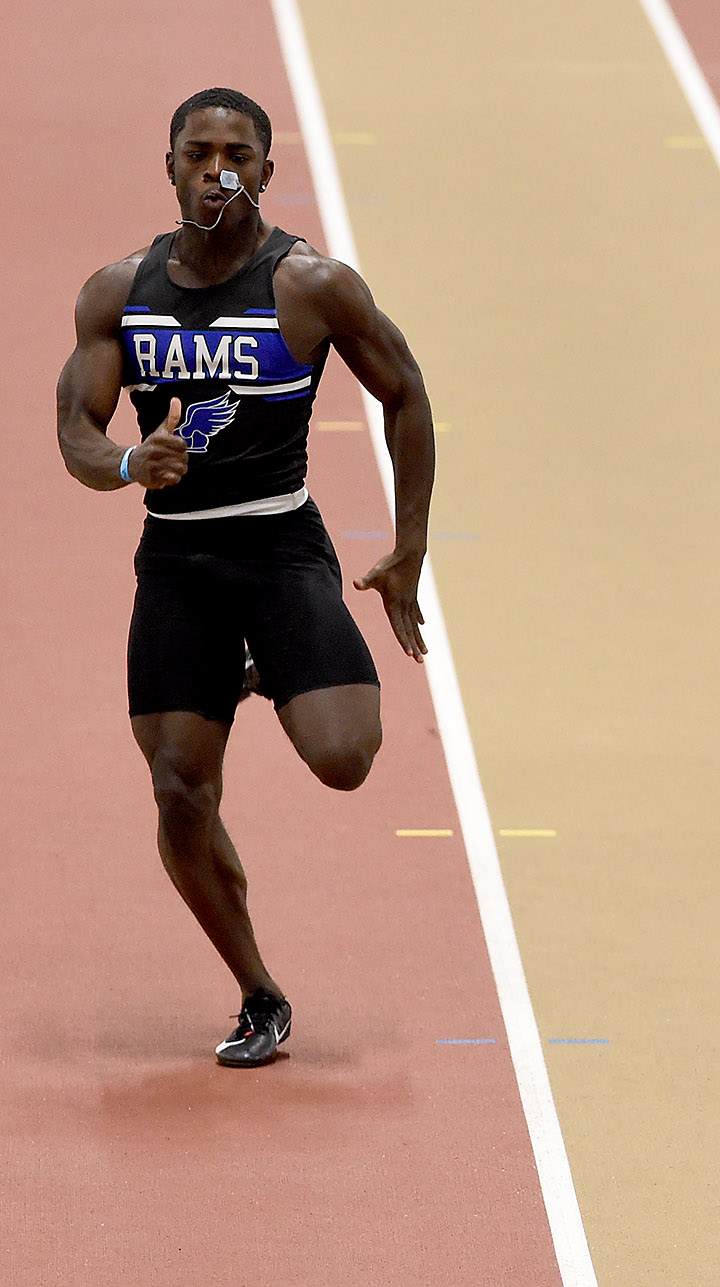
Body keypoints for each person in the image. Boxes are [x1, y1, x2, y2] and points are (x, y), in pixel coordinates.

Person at [56, 88, 435, 1063]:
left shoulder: (313, 286)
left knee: (347, 758)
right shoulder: (118, 292)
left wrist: (409, 545)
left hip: (278, 545)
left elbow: (405, 391)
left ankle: (265, 664)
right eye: (197, 151)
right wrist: (134, 465)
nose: (216, 168)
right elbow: (79, 434)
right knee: (181, 790)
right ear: (170, 165)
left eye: (237, 154)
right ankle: (259, 994)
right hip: (179, 559)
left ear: (266, 171)